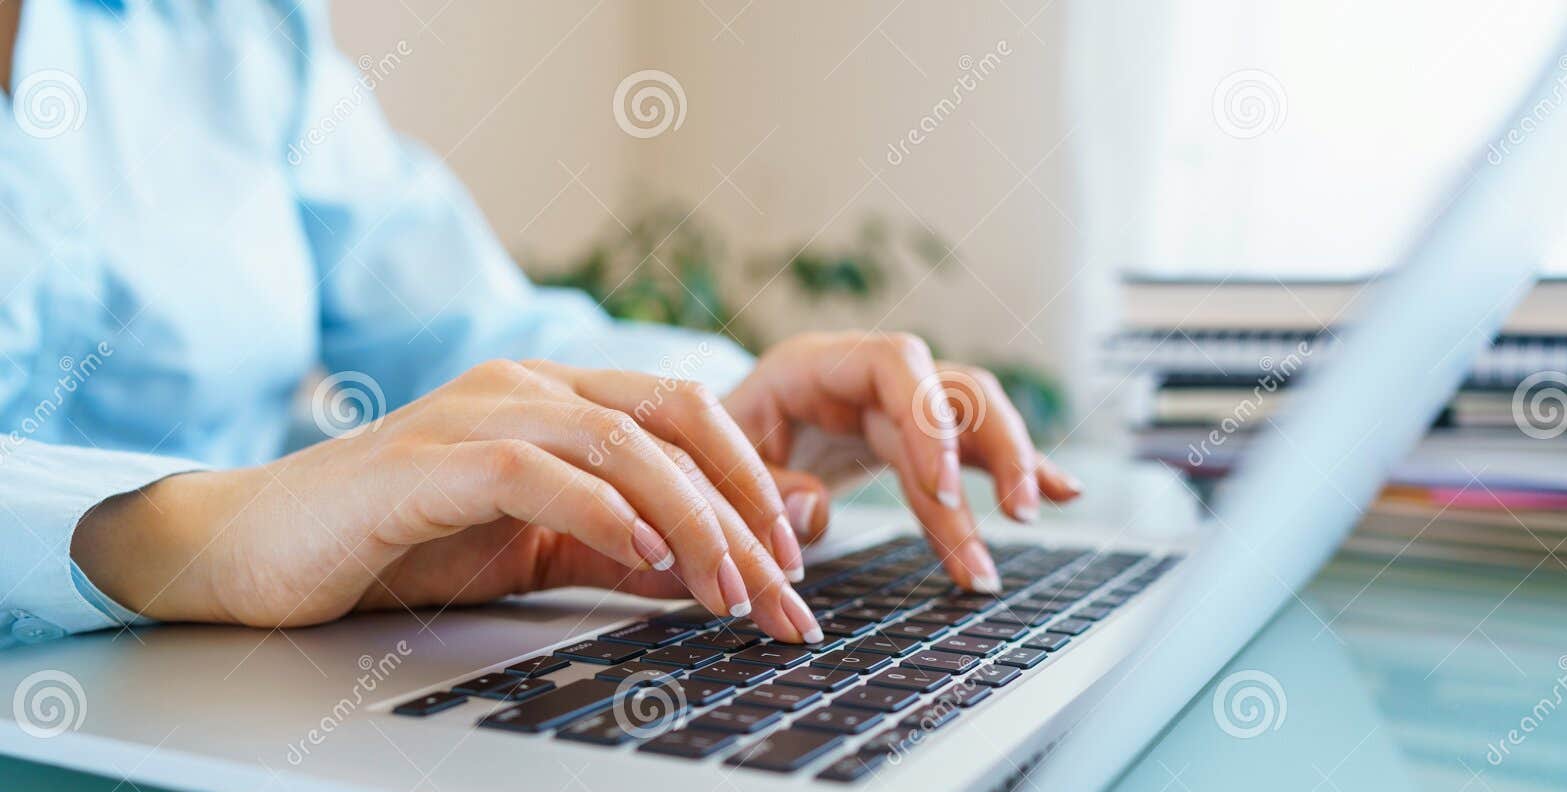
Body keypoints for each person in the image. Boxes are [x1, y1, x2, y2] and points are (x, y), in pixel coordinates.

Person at [0, 0, 1077, 652]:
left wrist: (712, 407)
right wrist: (186, 533)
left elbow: (463, 323)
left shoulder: (228, 26)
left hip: (221, 716)